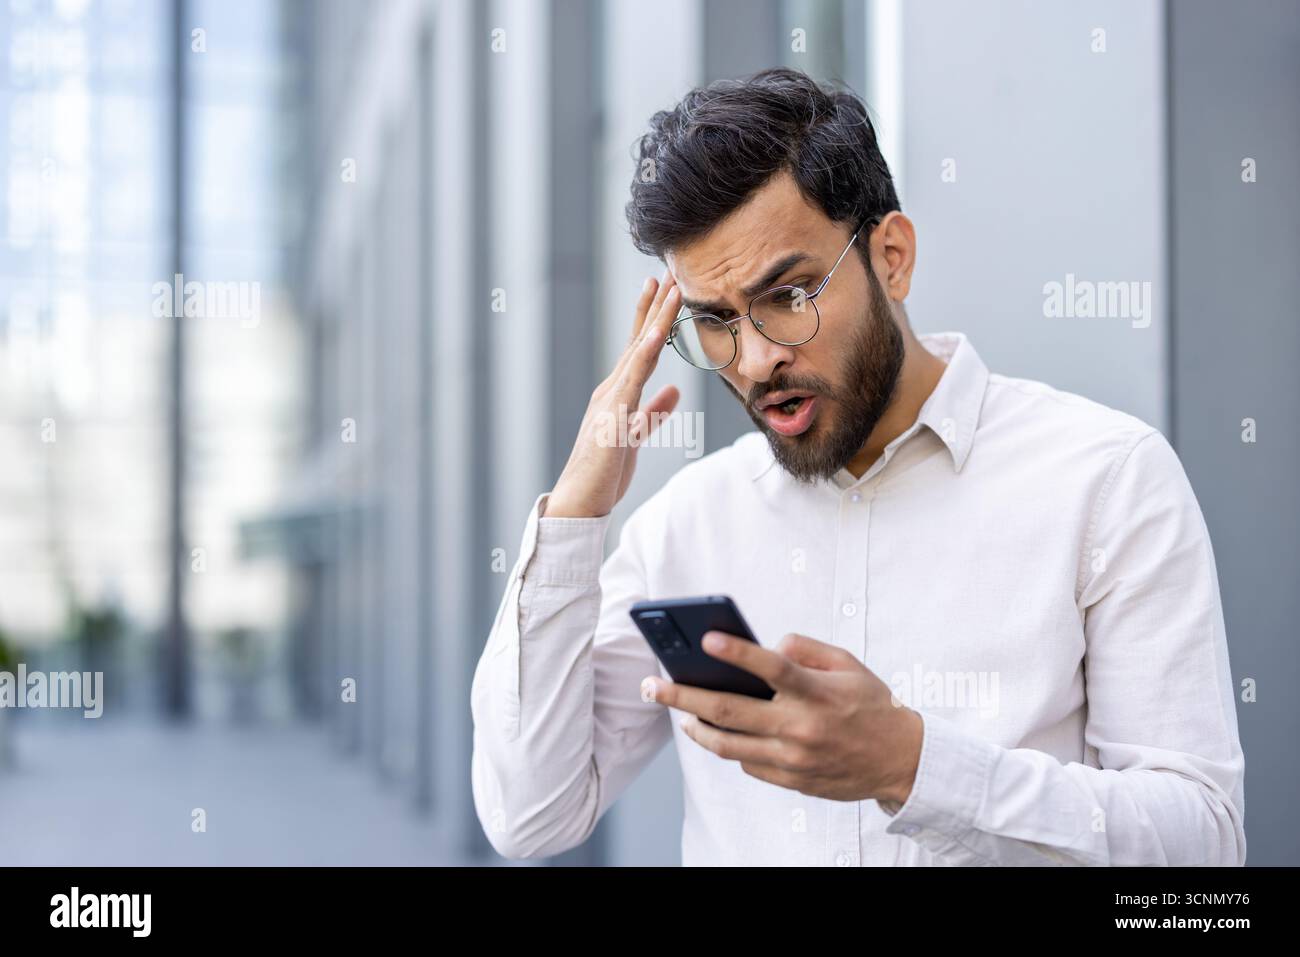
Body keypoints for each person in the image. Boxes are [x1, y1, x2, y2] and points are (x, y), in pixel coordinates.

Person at [470, 67, 1246, 866]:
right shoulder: (685, 524)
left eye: (790, 294)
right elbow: (530, 814)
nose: (759, 359)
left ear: (893, 256)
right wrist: (574, 511)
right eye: (716, 323)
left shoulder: (1106, 480)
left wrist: (910, 763)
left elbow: (1203, 844)